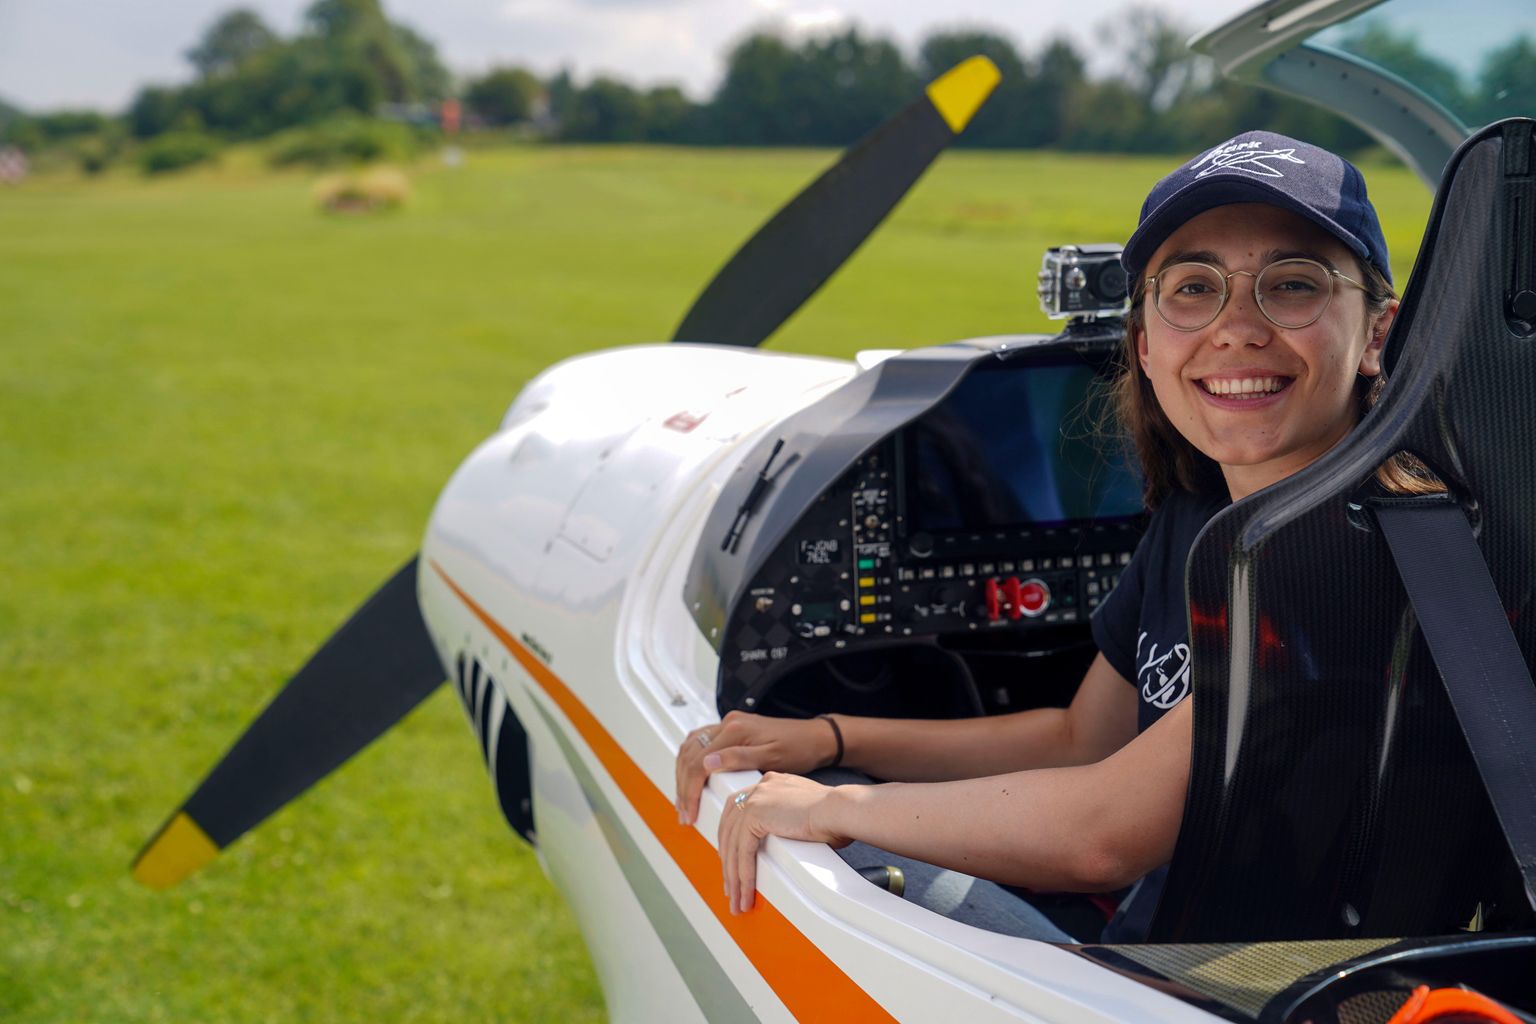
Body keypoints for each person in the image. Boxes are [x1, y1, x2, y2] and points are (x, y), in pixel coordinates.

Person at [674, 129, 1400, 943]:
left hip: (1241, 986)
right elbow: (1082, 740)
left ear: (1377, 333)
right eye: (1194, 288)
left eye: (1292, 285)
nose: (1236, 328)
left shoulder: (1354, 558)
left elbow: (1103, 837)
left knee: (833, 862)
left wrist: (837, 807)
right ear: (1145, 346)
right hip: (1172, 946)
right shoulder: (1199, 519)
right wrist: (830, 739)